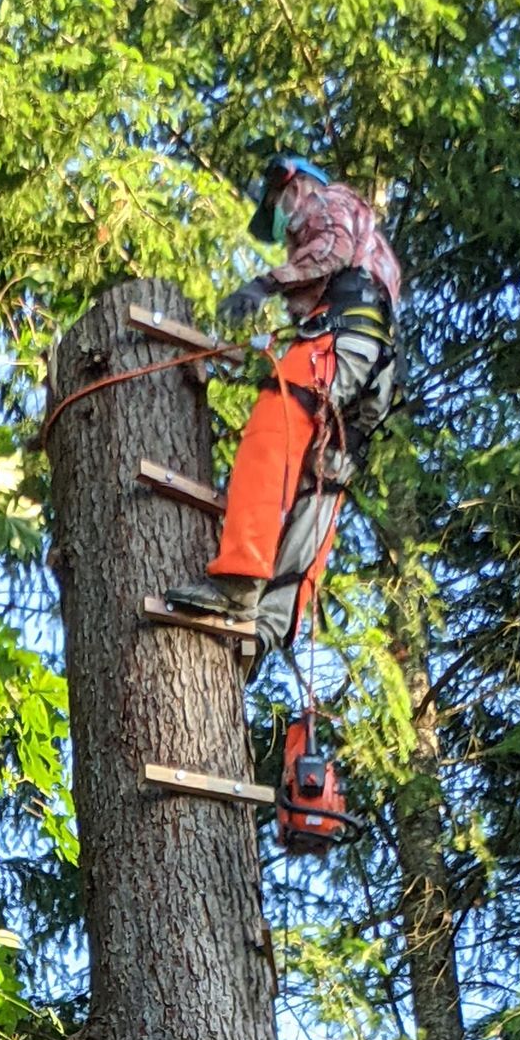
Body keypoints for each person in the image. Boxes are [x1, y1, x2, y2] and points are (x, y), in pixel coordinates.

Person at [166, 156, 400, 663]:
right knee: (320, 486)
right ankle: (268, 627)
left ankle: (239, 579)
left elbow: (331, 248)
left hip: (338, 341)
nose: (283, 216)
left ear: (292, 183)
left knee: (274, 431)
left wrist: (266, 283)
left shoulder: (328, 201)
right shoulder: (370, 244)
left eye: (277, 201)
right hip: (370, 360)